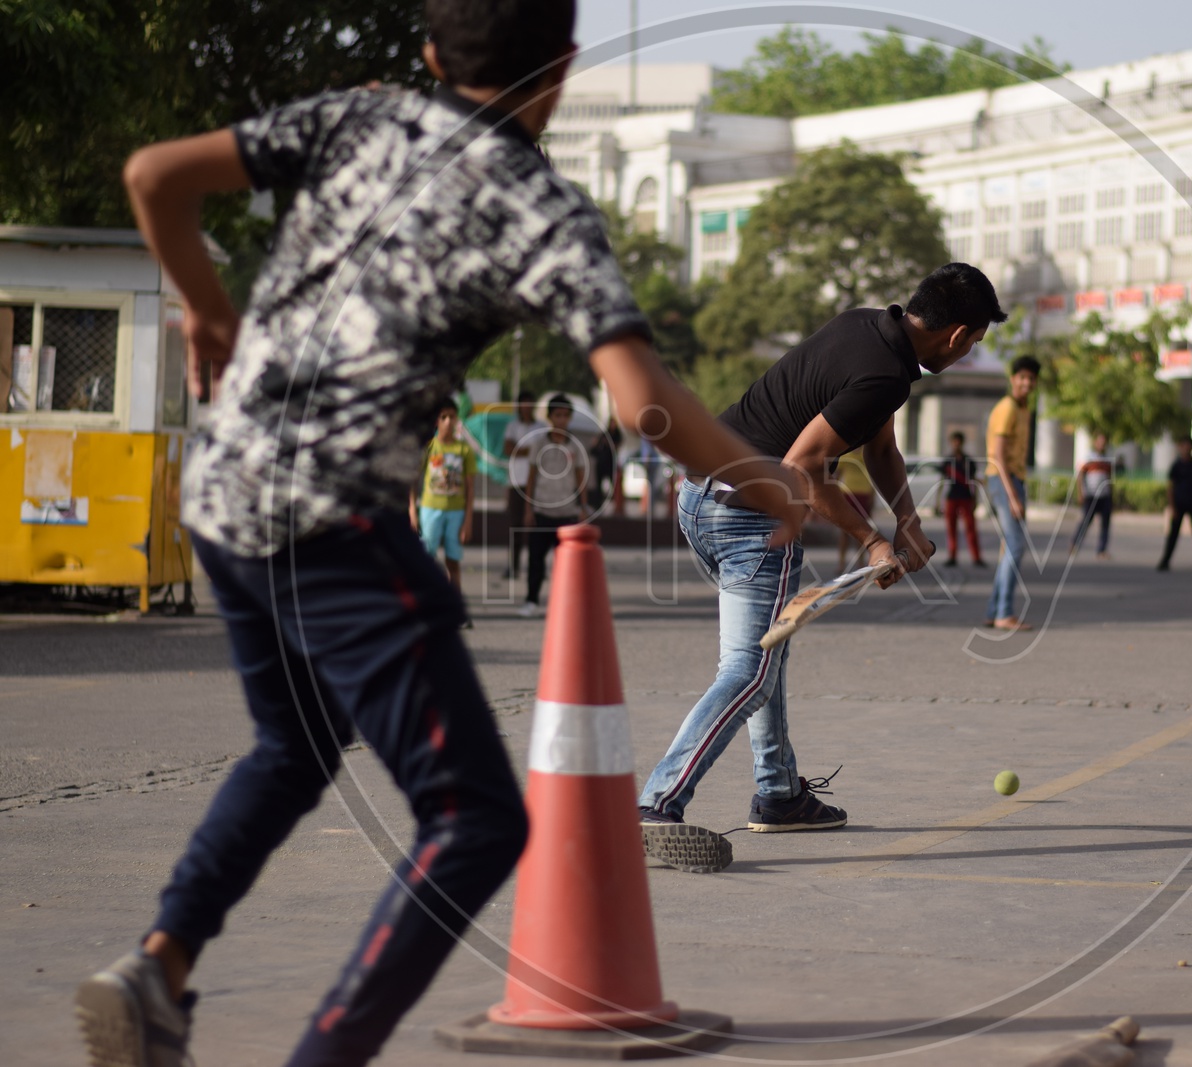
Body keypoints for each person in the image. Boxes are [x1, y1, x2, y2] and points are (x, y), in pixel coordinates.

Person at [79, 3, 804, 1064]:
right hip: (330, 519)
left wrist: (209, 307)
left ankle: (161, 964)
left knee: (296, 743)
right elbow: (645, 404)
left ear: (426, 54)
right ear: (561, 68)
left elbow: (155, 177)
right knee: (475, 821)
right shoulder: (542, 209)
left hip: (224, 487)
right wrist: (769, 482)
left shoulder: (357, 119)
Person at [637, 263, 1005, 863]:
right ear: (959, 335)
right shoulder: (888, 375)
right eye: (975, 345)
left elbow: (880, 445)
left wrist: (906, 523)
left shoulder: (865, 329)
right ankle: (657, 802)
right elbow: (801, 466)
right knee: (750, 670)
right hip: (752, 515)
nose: (967, 355)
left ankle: (779, 794)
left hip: (699, 498)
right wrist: (871, 541)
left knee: (765, 653)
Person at [519, 393, 589, 618]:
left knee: (566, 563)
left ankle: (565, 605)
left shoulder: (575, 446)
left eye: (565, 416)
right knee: (536, 559)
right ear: (549, 417)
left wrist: (583, 507)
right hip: (542, 509)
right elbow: (532, 477)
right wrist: (528, 508)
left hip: (567, 512)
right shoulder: (539, 443)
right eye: (557, 415)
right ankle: (531, 600)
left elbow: (580, 477)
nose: (561, 420)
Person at [985, 355, 1041, 630]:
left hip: (1014, 480)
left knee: (1009, 548)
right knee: (1016, 547)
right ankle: (1004, 614)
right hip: (1003, 481)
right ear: (1013, 379)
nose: (1027, 383)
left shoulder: (1024, 409)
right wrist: (1013, 496)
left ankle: (995, 610)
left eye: (1031, 379)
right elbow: (997, 455)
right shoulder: (1007, 408)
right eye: (1022, 377)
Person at [411, 403, 477, 601]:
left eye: (452, 417)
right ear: (437, 421)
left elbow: (471, 488)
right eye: (444, 417)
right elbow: (413, 481)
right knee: (426, 558)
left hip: (456, 511)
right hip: (430, 508)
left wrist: (468, 520)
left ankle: (454, 604)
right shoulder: (429, 447)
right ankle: (424, 603)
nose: (448, 422)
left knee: (453, 560)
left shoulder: (463, 449)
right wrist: (412, 511)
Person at [1156, 436, 1192, 571]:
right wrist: (1172, 506)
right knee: (1174, 534)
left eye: (1188, 445)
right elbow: (1170, 487)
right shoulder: (1177, 466)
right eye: (1183, 445)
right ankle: (1165, 560)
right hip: (1179, 503)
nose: (1185, 448)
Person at [500, 390, 540, 578]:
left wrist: (521, 450)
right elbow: (508, 449)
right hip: (516, 482)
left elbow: (542, 452)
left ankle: (535, 566)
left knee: (535, 526)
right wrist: (529, 451)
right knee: (515, 524)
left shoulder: (540, 427)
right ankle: (513, 565)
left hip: (537, 482)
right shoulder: (513, 427)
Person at [941, 430, 985, 566]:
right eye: (954, 442)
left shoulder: (968, 461)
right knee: (951, 528)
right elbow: (941, 482)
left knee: (971, 528)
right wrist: (938, 501)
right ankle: (952, 556)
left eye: (958, 442)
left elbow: (974, 482)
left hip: (966, 497)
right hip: (951, 498)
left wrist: (975, 500)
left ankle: (976, 557)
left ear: (962, 443)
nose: (956, 444)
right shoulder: (947, 462)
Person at [1073, 432, 1116, 559]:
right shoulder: (1088, 457)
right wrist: (1081, 493)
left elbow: (1110, 478)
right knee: (1086, 521)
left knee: (1105, 524)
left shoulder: (1107, 459)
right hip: (1091, 495)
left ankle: (1102, 550)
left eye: (1104, 442)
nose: (1102, 444)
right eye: (1099, 441)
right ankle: (1075, 544)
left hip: (1105, 496)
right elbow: (1080, 476)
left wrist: (1112, 494)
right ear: (1095, 442)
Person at [834, 447, 878, 572]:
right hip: (848, 493)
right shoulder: (845, 453)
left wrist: (873, 496)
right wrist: (835, 495)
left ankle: (861, 563)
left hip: (864, 494)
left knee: (863, 531)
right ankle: (841, 564)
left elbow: (873, 476)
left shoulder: (867, 452)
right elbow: (838, 475)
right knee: (844, 531)